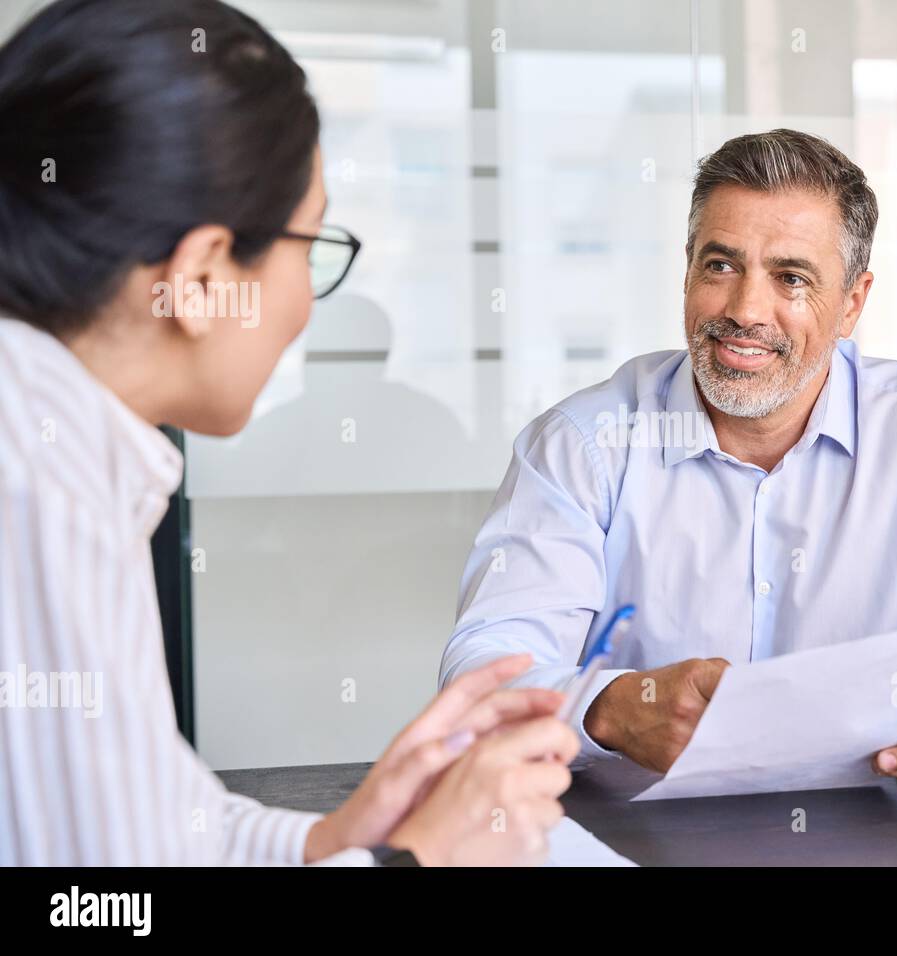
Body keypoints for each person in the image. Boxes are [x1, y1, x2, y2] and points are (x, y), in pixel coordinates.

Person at [0, 0, 577, 866]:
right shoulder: (33, 484)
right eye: (309, 249)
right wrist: (420, 859)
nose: (307, 305)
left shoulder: (70, 444)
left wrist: (339, 835)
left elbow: (161, 828)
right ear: (198, 278)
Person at [440, 129, 897, 789]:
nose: (745, 309)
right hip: (639, 838)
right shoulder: (580, 444)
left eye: (790, 277)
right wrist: (609, 708)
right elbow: (483, 673)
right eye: (721, 265)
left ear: (852, 303)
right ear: (687, 269)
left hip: (887, 833)